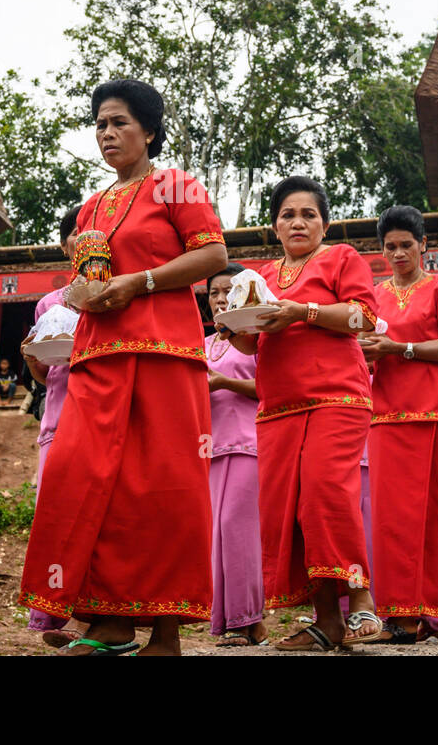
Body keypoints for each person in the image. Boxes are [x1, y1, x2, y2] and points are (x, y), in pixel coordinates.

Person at [17, 79, 226, 656]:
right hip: (95, 356)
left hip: (164, 354)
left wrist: (143, 281)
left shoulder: (176, 185)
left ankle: (164, 630)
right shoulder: (91, 205)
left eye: (119, 123)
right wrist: (86, 294)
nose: (107, 134)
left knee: (163, 487)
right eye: (100, 125)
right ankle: (107, 618)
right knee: (81, 478)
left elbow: (214, 256)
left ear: (150, 130)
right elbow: (92, 278)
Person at [219, 176, 379, 652]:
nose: (298, 222)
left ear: (324, 223)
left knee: (325, 493)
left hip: (338, 397)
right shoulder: (260, 276)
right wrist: (235, 331)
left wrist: (303, 312)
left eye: (309, 214)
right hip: (278, 408)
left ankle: (361, 594)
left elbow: (362, 318)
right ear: (274, 225)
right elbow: (255, 340)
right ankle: (327, 622)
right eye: (288, 214)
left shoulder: (342, 258)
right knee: (290, 512)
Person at [352, 208, 438, 646]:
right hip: (387, 416)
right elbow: (364, 350)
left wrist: (399, 348)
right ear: (380, 250)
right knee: (393, 520)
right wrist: (368, 352)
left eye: (407, 244)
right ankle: (401, 618)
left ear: (424, 245)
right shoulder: (373, 295)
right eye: (390, 246)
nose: (399, 253)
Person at [22, 204, 86, 647]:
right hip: (58, 418)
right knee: (55, 519)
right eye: (76, 233)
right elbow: (44, 375)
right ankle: (57, 614)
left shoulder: (120, 297)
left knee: (97, 518)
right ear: (65, 246)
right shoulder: (50, 303)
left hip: (104, 417)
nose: (85, 241)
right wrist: (31, 355)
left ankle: (91, 615)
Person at [202, 263, 268, 647]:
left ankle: (250, 620)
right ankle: (233, 622)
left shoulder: (257, 338)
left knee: (236, 529)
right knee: (217, 535)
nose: (222, 298)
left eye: (229, 290)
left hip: (250, 443)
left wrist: (225, 382)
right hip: (209, 447)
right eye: (214, 292)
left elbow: (273, 387)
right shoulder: (202, 342)